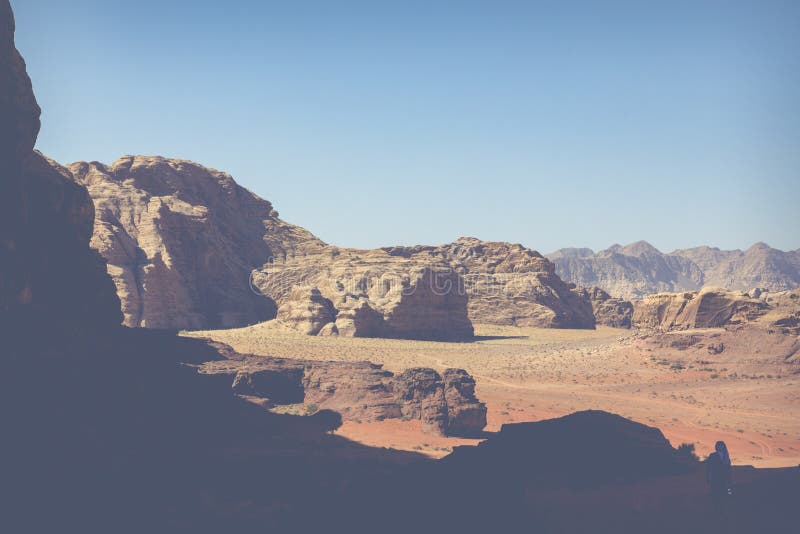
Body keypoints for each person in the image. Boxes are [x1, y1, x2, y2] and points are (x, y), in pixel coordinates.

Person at [706, 440, 733, 526]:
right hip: (715, 479)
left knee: (723, 495)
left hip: (724, 480)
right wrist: (708, 478)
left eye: (721, 445)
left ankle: (722, 512)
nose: (719, 447)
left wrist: (729, 479)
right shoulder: (712, 455)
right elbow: (708, 468)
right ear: (716, 446)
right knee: (715, 495)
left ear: (723, 446)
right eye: (718, 445)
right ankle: (716, 511)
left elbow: (728, 469)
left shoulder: (726, 456)